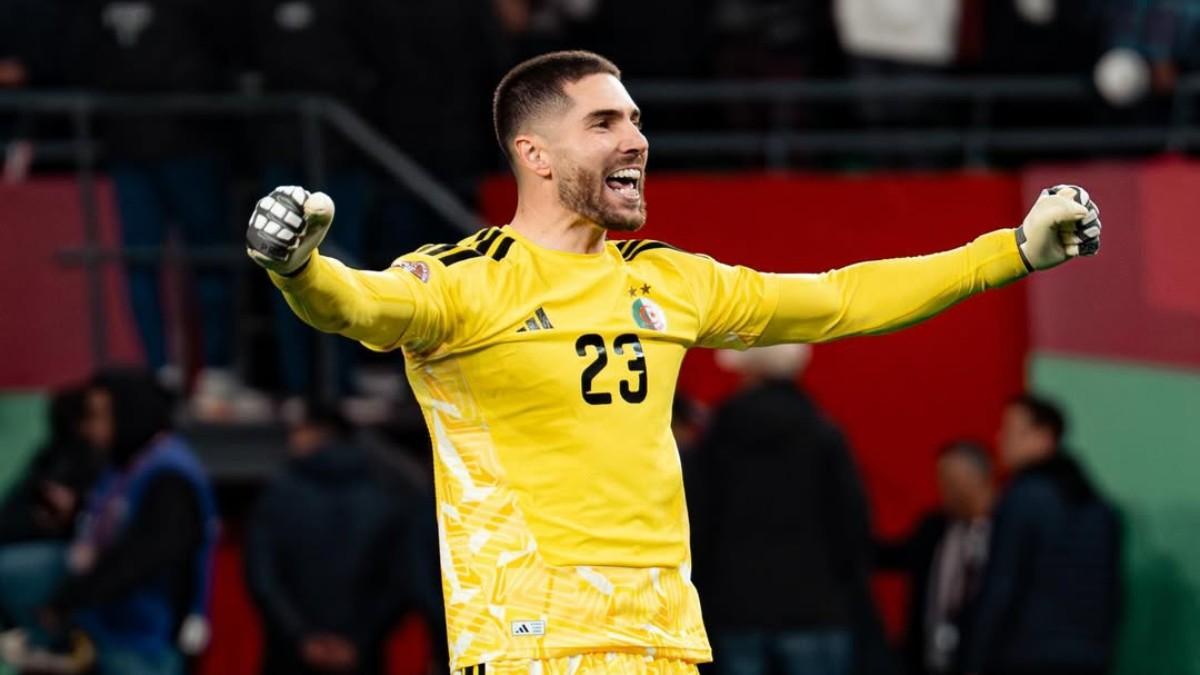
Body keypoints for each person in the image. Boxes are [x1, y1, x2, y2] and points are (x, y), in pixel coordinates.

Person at [244, 50, 1103, 674]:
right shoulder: (467, 283)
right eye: (606, 121)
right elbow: (358, 305)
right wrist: (299, 266)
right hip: (533, 648)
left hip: (664, 643)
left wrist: (1014, 251)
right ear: (536, 156)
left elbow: (842, 300)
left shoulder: (668, 281)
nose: (636, 138)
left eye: (638, 119)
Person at [692, 344, 873, 675]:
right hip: (816, 608)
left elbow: (700, 520)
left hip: (737, 607)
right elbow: (852, 523)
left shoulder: (720, 435)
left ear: (746, 369)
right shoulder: (823, 433)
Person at [245, 401, 439, 675]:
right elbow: (401, 580)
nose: (291, 437)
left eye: (299, 429)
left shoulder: (278, 494)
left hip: (289, 655)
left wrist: (301, 636)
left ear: (320, 432)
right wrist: (360, 639)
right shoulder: (386, 493)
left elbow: (263, 575)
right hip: (360, 657)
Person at [46, 368, 219, 675]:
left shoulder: (168, 472)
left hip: (147, 640)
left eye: (99, 415)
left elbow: (147, 553)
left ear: (128, 413)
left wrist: (70, 599)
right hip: (114, 626)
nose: (91, 428)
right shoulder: (126, 462)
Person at [963, 396, 1120, 675]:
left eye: (1012, 431)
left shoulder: (1023, 498)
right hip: (1088, 657)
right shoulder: (1099, 506)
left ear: (1045, 437)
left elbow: (1001, 585)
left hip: (1025, 655)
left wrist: (975, 657)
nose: (1001, 439)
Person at [877, 441, 995, 675]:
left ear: (976, 477)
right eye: (941, 479)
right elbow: (893, 556)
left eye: (950, 480)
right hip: (930, 657)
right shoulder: (933, 527)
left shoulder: (1008, 533)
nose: (943, 488)